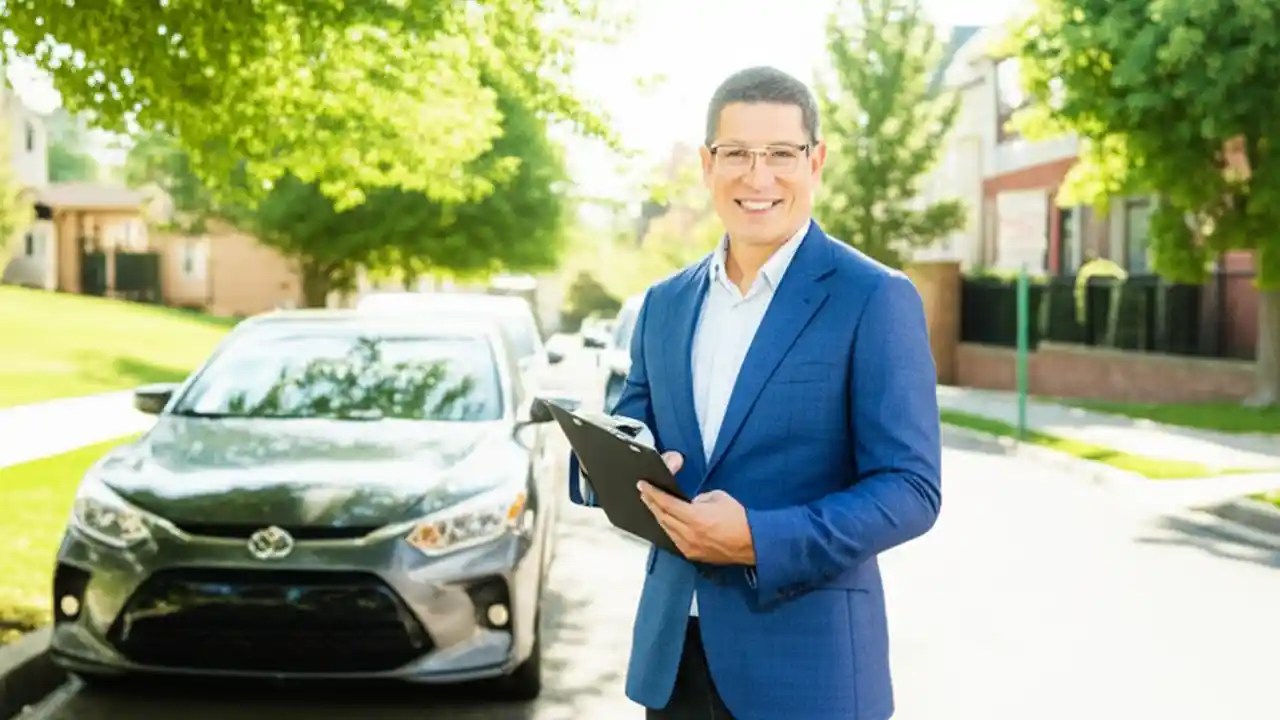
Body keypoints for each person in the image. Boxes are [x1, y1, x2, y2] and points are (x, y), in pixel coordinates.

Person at [567, 65, 942, 720]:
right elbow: (637, 430)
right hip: (673, 661)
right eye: (737, 153)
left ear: (815, 161)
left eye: (780, 154)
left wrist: (758, 539)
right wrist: (604, 461)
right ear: (709, 164)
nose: (757, 176)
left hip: (809, 670)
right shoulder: (664, 304)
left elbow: (910, 489)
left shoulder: (873, 298)